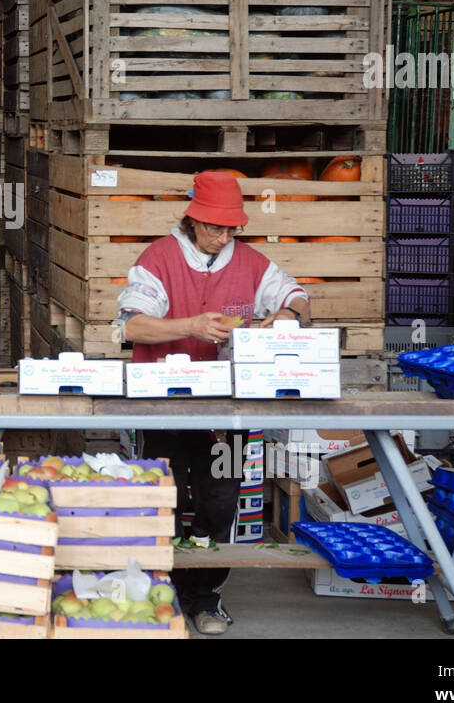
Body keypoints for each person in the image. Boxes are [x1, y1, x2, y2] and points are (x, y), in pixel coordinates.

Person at [116, 171, 310, 636]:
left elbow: (299, 297)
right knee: (167, 499)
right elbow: (132, 327)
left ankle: (206, 596)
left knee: (221, 502)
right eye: (213, 227)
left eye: (231, 228)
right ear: (191, 219)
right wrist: (190, 326)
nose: (222, 236)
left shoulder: (251, 263)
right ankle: (164, 591)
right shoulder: (158, 259)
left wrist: (284, 315)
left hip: (229, 412)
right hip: (165, 408)